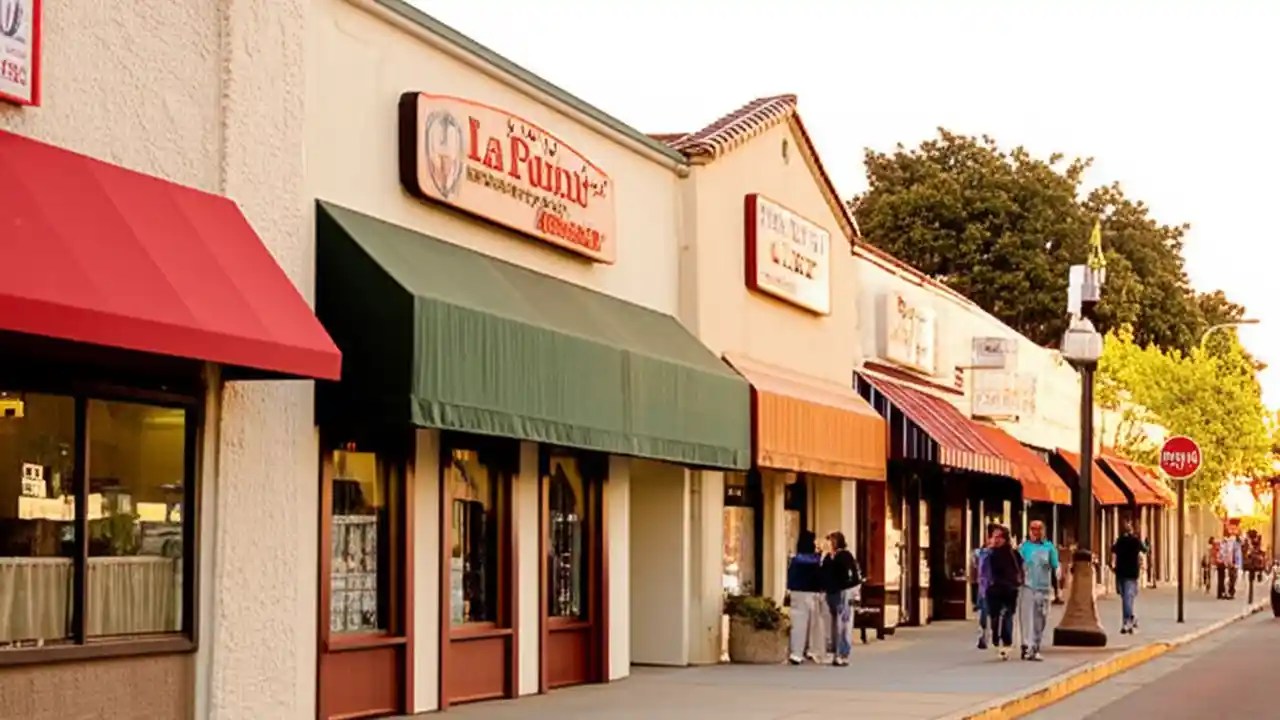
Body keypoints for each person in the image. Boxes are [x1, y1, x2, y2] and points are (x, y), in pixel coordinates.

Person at [1018, 520, 1058, 661]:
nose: (1036, 532)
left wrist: (1056, 589)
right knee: (1027, 618)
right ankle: (1027, 646)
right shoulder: (1024, 548)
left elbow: (1055, 566)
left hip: (1044, 587)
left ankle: (1035, 644)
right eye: (1033, 529)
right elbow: (1018, 565)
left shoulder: (1049, 547)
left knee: (1041, 618)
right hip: (1027, 587)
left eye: (1039, 529)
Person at [822, 531, 863, 667]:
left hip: (844, 592)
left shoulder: (845, 556)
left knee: (843, 624)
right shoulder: (828, 558)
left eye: (831, 541)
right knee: (833, 624)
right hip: (832, 593)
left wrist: (854, 593)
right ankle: (834, 652)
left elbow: (852, 576)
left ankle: (842, 653)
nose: (828, 544)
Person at [786, 530, 825, 665]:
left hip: (796, 593)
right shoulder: (815, 560)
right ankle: (812, 651)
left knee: (797, 624)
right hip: (812, 593)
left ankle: (796, 653)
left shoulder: (796, 560)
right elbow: (819, 577)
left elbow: (790, 577)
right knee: (814, 625)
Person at [983, 526, 1022, 660]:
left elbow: (1021, 568)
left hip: (1009, 588)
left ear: (1005, 539)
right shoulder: (989, 553)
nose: (996, 539)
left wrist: (1018, 582)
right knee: (994, 617)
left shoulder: (1013, 553)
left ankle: (1007, 643)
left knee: (1007, 615)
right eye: (994, 537)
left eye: (999, 537)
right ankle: (996, 638)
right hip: (993, 589)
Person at [1110, 522, 1146, 634]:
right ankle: (1129, 620)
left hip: (1120, 573)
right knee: (1128, 598)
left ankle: (1129, 620)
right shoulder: (1136, 541)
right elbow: (1145, 549)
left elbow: (1112, 549)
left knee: (1125, 598)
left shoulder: (1120, 541)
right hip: (1131, 574)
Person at [969, 523, 998, 649]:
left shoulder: (998, 552)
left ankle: (995, 636)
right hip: (984, 587)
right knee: (984, 612)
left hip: (997, 586)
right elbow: (975, 567)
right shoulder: (981, 552)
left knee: (995, 613)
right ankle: (983, 635)